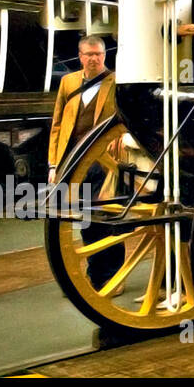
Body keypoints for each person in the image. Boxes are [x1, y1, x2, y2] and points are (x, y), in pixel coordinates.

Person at [48, 35, 121, 290]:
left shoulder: (116, 82)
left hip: (104, 163)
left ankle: (111, 276)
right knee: (85, 222)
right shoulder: (68, 82)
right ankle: (94, 276)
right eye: (89, 54)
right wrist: (53, 165)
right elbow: (57, 125)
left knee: (107, 219)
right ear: (80, 56)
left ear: (104, 55)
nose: (94, 59)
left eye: (98, 54)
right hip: (74, 162)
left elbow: (126, 122)